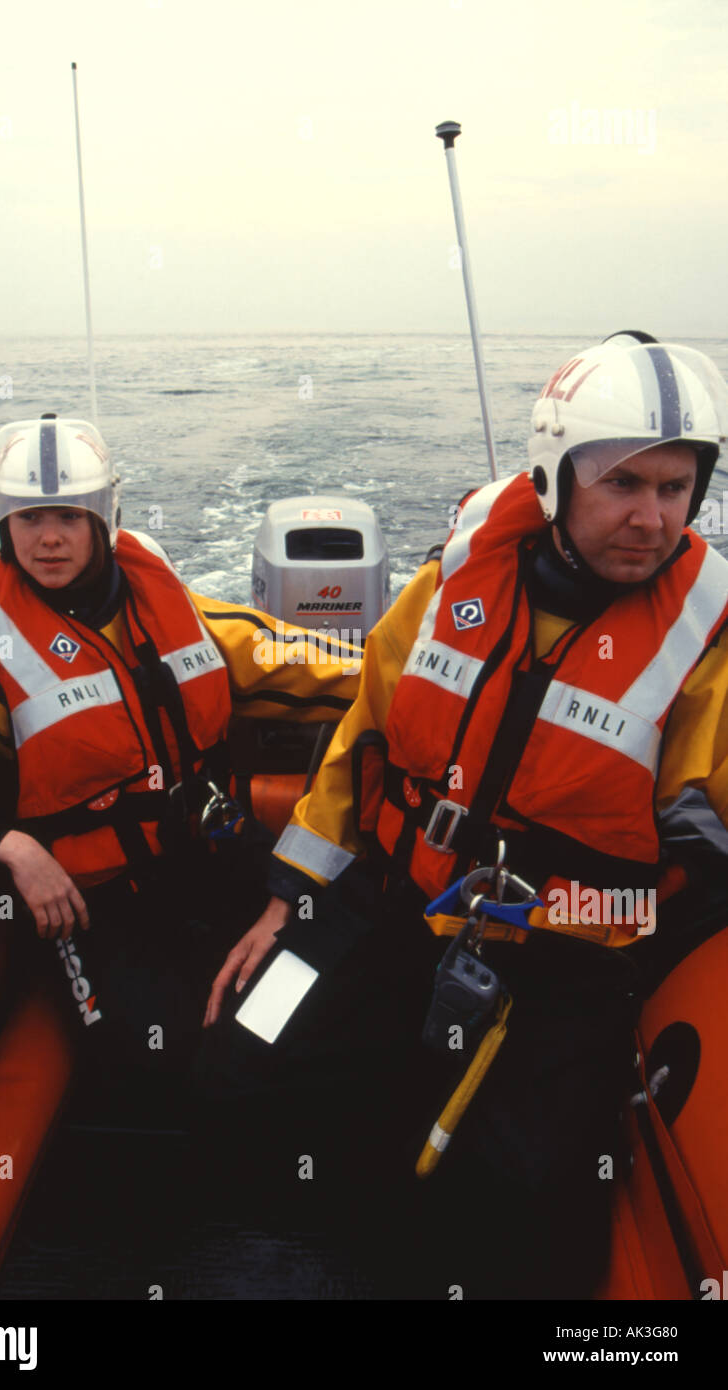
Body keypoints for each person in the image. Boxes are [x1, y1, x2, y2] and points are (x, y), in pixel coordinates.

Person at [200, 333, 728, 1298]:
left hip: (566, 955)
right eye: (623, 484)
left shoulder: (709, 644)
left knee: (508, 1199)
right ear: (555, 479)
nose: (652, 518)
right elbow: (366, 727)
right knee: (244, 1053)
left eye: (677, 486)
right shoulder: (458, 575)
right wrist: (289, 901)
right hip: (396, 897)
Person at [0, 414, 361, 1087]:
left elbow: (274, 654)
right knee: (162, 1055)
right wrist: (9, 847)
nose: (49, 538)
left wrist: (406, 674)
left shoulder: (157, 599)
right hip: (95, 903)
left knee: (345, 947)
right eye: (28, 518)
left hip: (211, 851)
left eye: (69, 518)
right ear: (2, 524)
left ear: (104, 519)